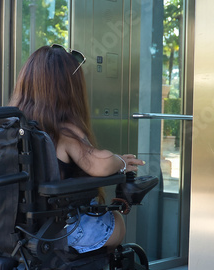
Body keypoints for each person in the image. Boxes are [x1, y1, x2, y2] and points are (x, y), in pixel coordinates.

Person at [10, 44, 144, 253]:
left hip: (12, 227)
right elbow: (101, 164)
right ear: (69, 89)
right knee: (116, 221)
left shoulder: (9, 126)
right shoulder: (63, 131)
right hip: (54, 230)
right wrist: (122, 162)